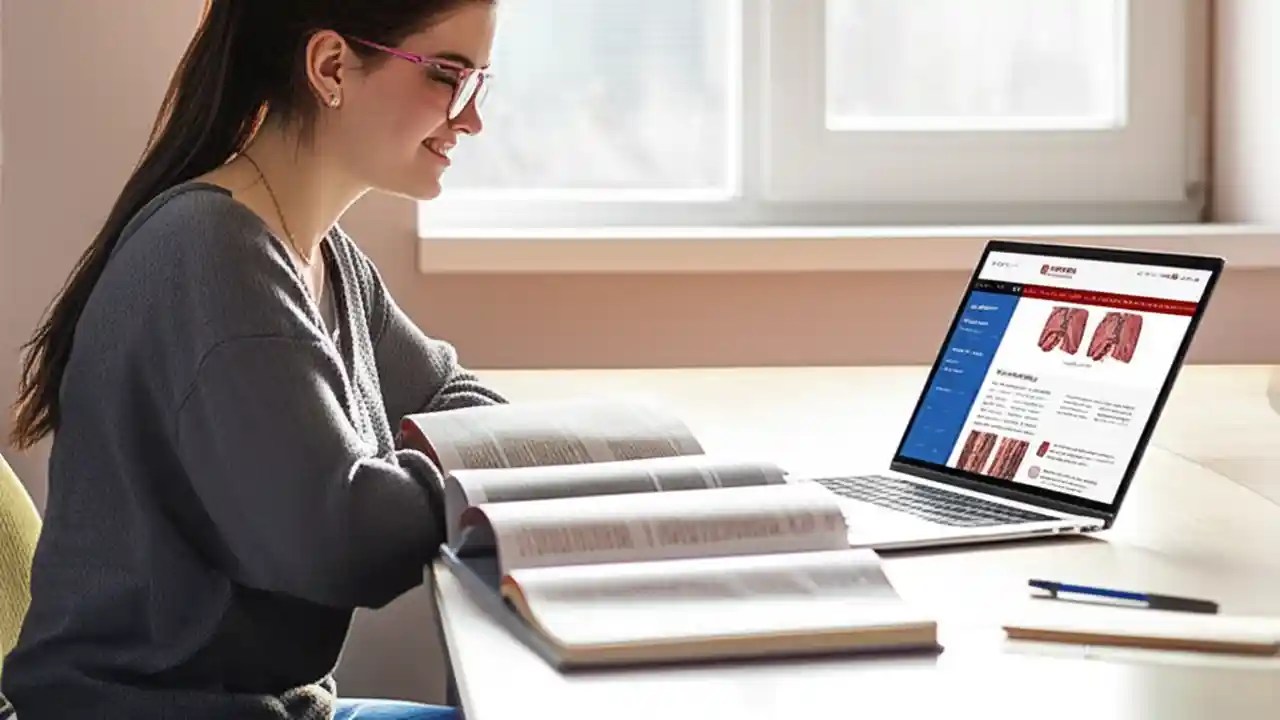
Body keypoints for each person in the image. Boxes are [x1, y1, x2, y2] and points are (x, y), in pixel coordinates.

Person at [2, 1, 505, 718]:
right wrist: (486, 482)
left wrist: (477, 470)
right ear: (331, 66)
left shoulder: (324, 261)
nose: (472, 117)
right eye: (450, 76)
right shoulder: (211, 257)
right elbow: (342, 537)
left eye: (481, 81)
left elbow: (454, 396)